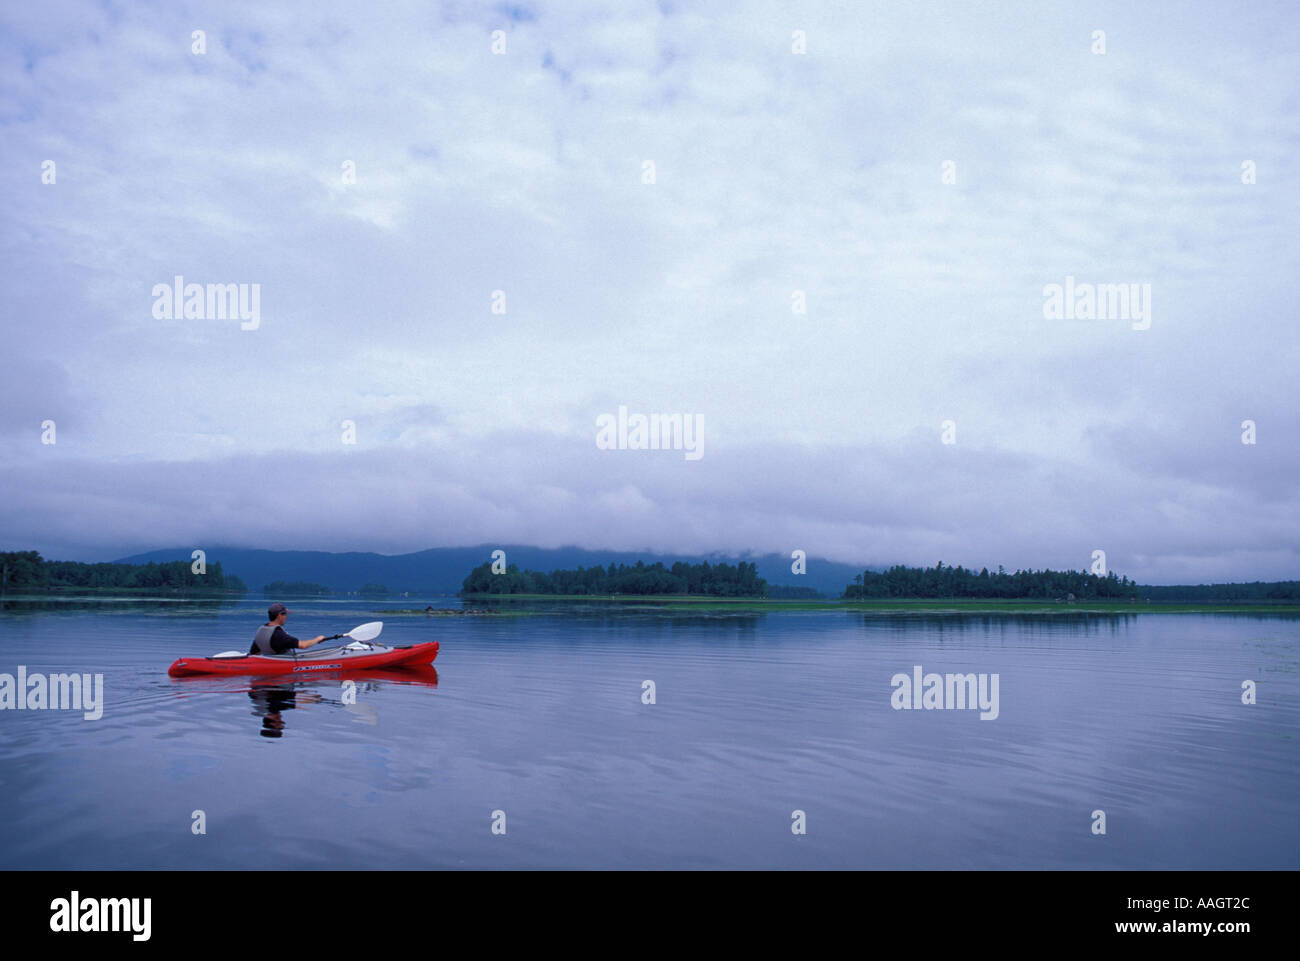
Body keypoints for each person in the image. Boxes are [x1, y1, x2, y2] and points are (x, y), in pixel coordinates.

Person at [248, 602, 326, 656]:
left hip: (271, 661)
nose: (286, 617)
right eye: (285, 614)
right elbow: (303, 645)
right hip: (282, 663)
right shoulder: (279, 635)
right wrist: (318, 639)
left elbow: (253, 654)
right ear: (279, 615)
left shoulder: (261, 630)